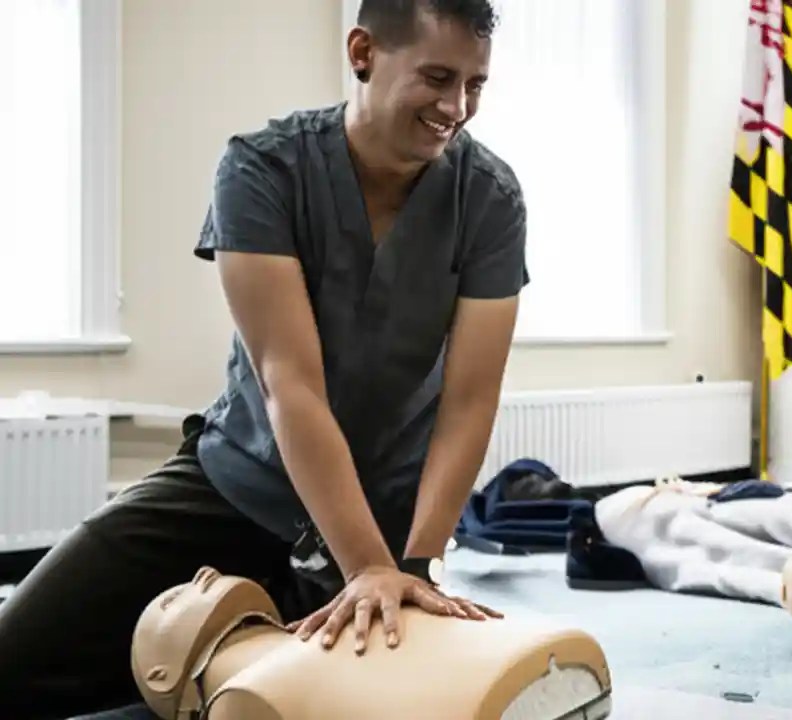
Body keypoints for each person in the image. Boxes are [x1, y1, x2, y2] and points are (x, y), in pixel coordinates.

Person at [0, 1, 525, 717]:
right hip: (234, 484)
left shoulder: (490, 197)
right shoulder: (263, 166)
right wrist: (367, 565)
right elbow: (291, 385)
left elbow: (469, 398)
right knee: (17, 656)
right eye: (437, 77)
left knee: (261, 701)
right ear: (363, 52)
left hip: (382, 525)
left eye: (476, 84)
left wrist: (411, 565)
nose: (456, 106)